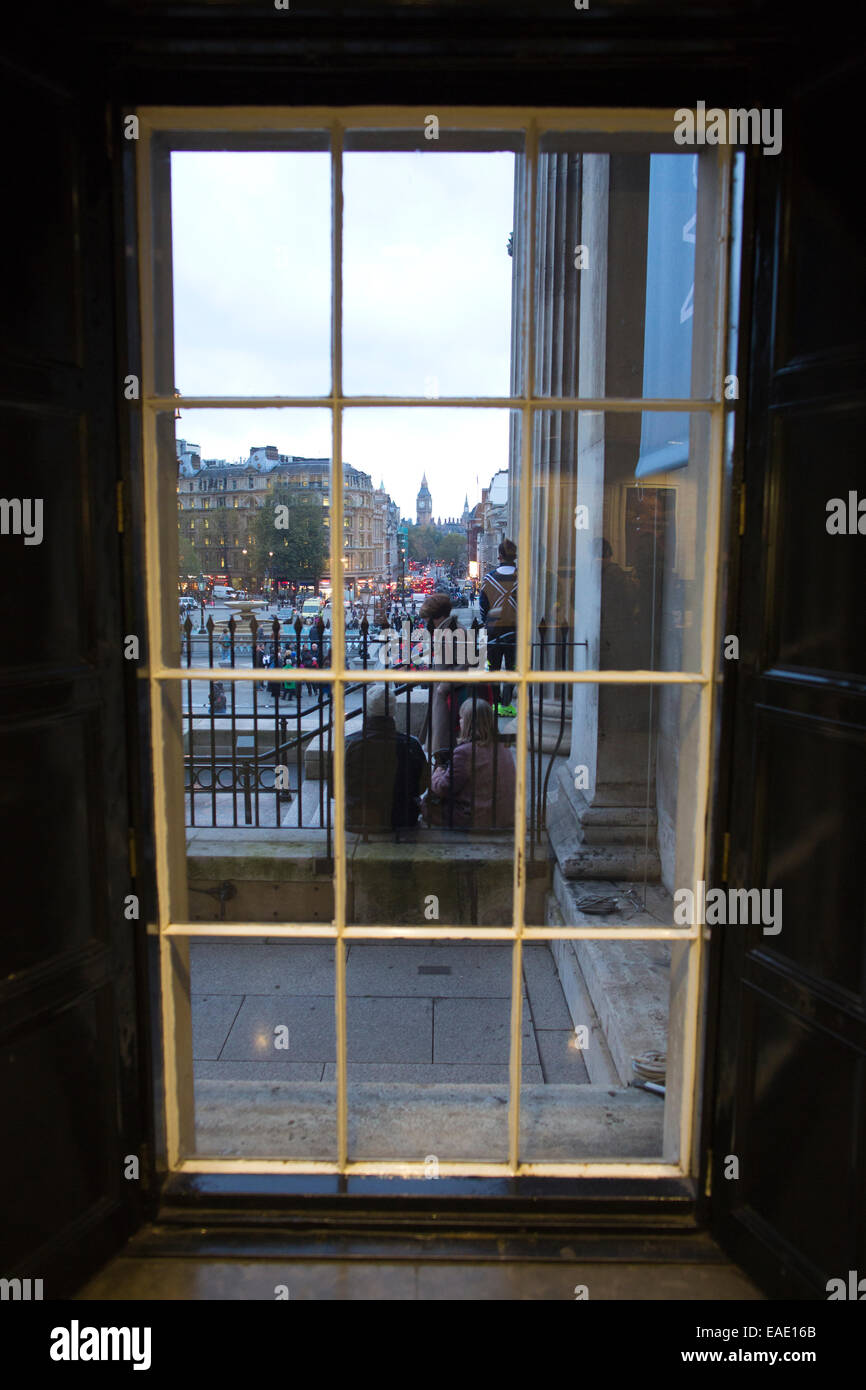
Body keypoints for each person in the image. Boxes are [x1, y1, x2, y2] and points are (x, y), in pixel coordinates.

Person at [345, 684, 429, 833]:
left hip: (358, 819)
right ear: (394, 711)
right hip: (403, 818)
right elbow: (423, 785)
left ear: (365, 710)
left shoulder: (348, 744)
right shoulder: (411, 744)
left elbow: (334, 790)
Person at [428, 697, 515, 829]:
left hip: (479, 819)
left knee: (427, 804)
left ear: (469, 723)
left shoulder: (465, 752)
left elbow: (444, 788)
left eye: (462, 718)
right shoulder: (503, 746)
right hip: (506, 816)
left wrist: (436, 775)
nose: (460, 721)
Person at [480, 538, 518, 718]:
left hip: (493, 631)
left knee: (493, 668)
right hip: (515, 630)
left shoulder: (488, 579)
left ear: (499, 556)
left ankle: (495, 702)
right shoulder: (522, 578)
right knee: (512, 668)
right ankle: (506, 704)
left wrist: (488, 623)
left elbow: (483, 608)